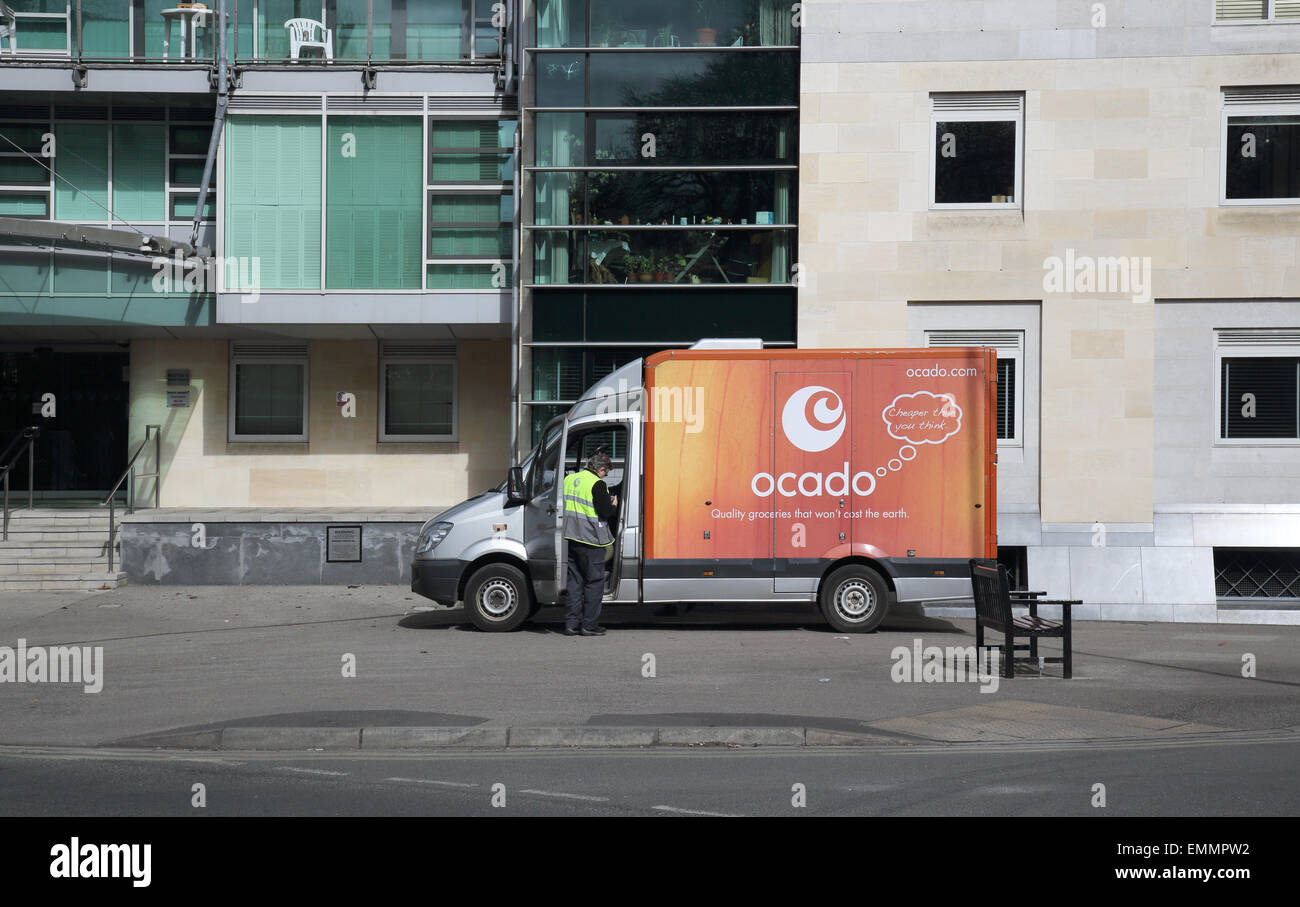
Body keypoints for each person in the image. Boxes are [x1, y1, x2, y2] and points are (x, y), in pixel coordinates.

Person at [562, 451, 618, 636]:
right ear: (600, 469)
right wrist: (613, 505)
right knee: (594, 582)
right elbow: (605, 513)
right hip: (591, 539)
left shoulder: (570, 480)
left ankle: (571, 625)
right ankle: (589, 625)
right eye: (606, 472)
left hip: (572, 537)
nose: (605, 476)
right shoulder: (598, 484)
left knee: (574, 581)